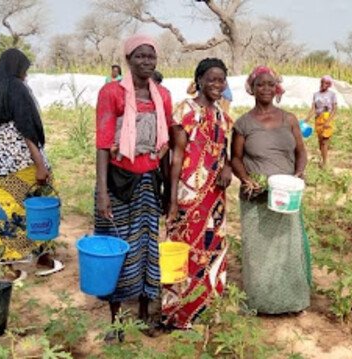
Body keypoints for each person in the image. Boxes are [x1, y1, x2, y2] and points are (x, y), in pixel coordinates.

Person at [95, 34, 172, 340]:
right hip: (118, 182)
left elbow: (165, 147)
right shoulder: (111, 93)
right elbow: (103, 145)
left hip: (150, 182)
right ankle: (116, 323)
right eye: (140, 57)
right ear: (128, 60)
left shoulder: (162, 95)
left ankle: (145, 315)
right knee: (117, 249)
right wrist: (103, 192)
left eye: (151, 57)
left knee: (147, 250)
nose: (146, 62)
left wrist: (166, 189)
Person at [231, 66, 311, 314]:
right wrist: (246, 179)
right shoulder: (243, 123)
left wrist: (298, 174)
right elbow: (235, 158)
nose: (266, 89)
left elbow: (301, 152)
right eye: (260, 84)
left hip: (285, 193)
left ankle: (290, 301)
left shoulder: (289, 119)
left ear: (277, 88)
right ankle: (260, 301)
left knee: (286, 247)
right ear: (252, 89)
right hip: (256, 196)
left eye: (270, 84)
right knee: (259, 251)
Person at [0, 48, 63, 280]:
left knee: (2, 217)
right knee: (41, 211)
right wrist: (40, 165)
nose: (25, 75)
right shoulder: (16, 88)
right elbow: (27, 130)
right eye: (24, 70)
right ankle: (43, 260)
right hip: (25, 166)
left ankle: (9, 271)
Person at [162, 58, 232, 329]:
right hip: (188, 195)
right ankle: (177, 314)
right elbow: (175, 159)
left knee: (211, 249)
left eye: (221, 80)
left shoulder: (223, 117)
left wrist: (226, 168)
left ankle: (204, 311)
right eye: (212, 79)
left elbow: (222, 153)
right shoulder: (185, 112)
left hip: (215, 197)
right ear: (199, 80)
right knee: (184, 250)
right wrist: (171, 202)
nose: (217, 84)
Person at [305, 75, 338, 167]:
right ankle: (324, 157)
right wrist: (307, 119)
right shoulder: (316, 94)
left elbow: (335, 109)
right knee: (320, 142)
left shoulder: (332, 94)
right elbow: (313, 108)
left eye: (327, 83)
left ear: (329, 85)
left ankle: (324, 163)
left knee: (324, 140)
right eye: (323, 82)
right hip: (318, 119)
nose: (324, 84)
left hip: (327, 117)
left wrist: (328, 120)